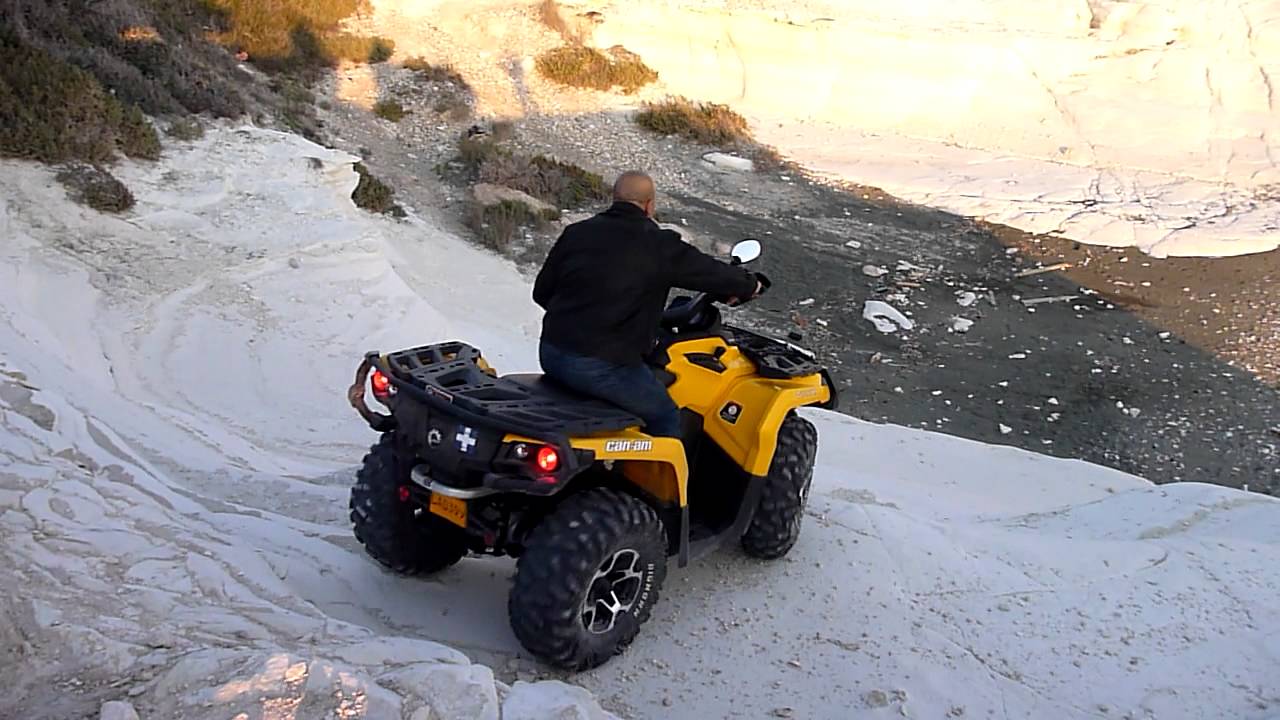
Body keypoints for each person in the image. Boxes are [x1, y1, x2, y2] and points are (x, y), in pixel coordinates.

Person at [533, 171, 760, 438]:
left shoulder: (577, 232)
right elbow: (709, 271)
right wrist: (750, 285)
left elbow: (542, 293)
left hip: (551, 353)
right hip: (602, 365)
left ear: (614, 198)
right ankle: (670, 479)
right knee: (664, 414)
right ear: (650, 204)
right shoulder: (658, 244)